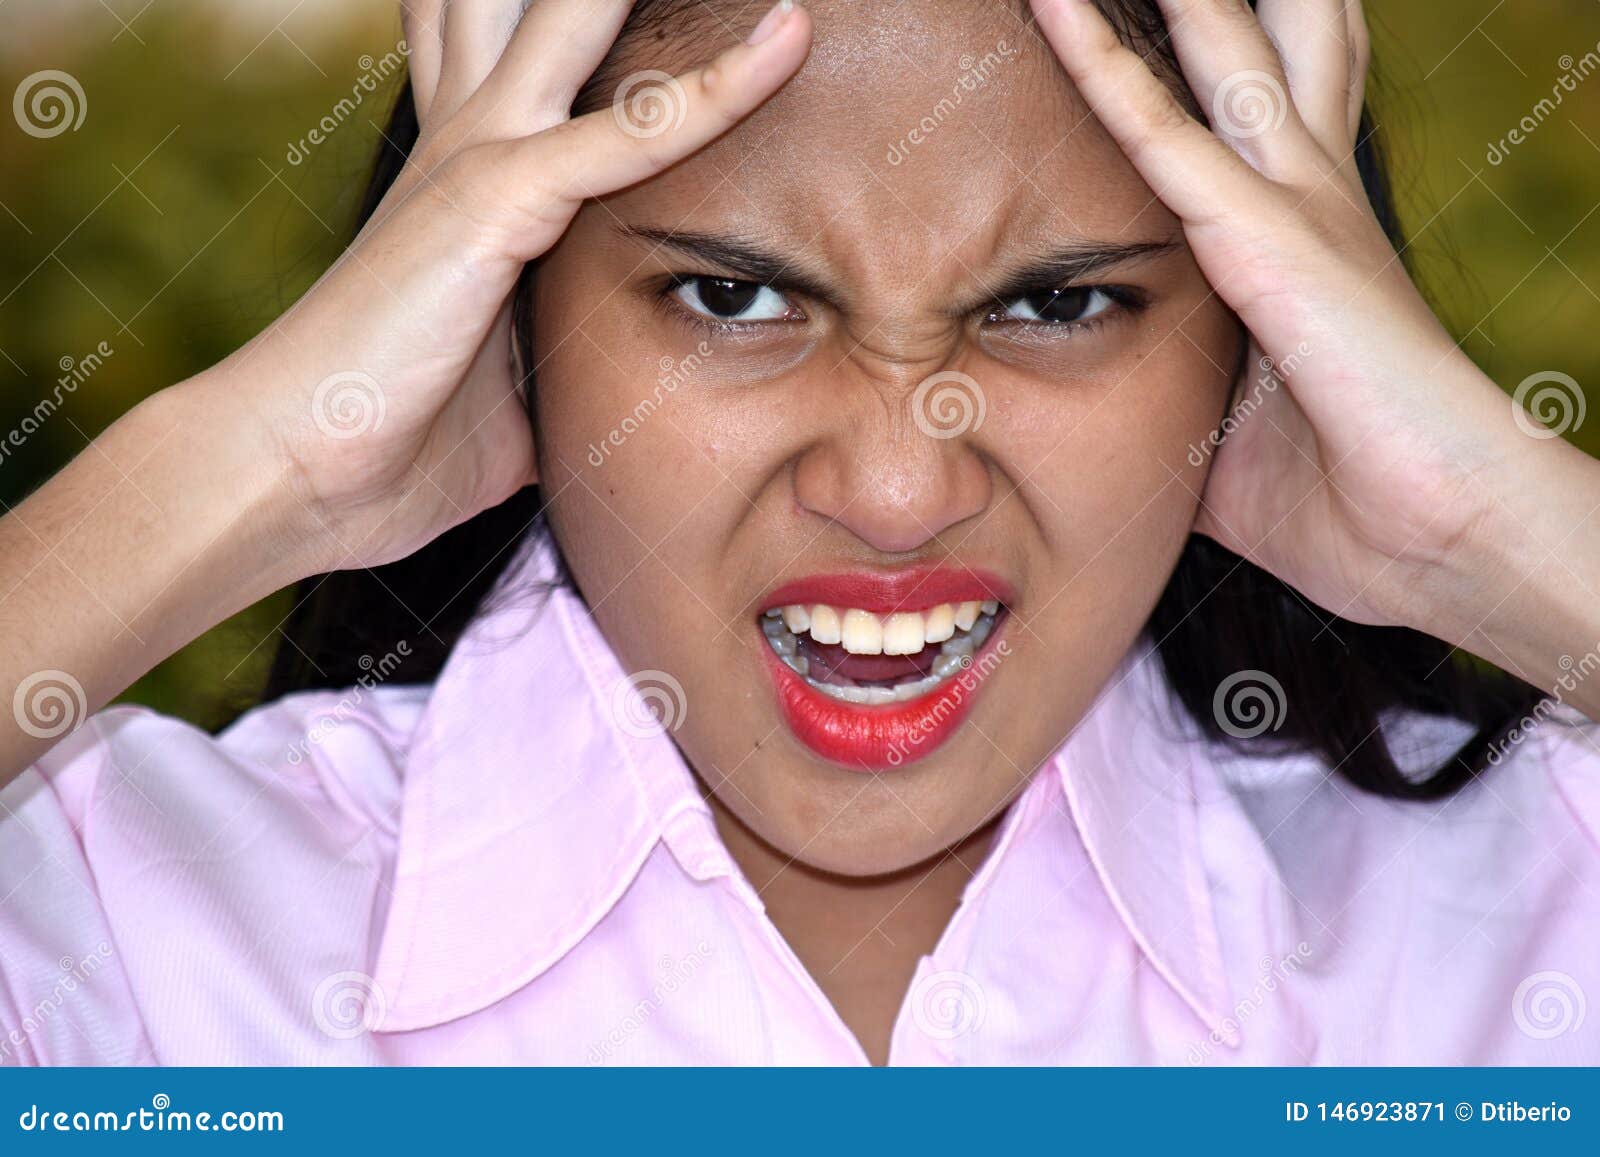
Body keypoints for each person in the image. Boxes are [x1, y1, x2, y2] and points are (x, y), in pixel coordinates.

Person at [2, 0, 1597, 1066]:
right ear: (505, 314)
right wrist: (275, 458)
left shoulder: (1519, 919)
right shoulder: (139, 935)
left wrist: (1479, 525)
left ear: (1256, 348)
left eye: (1057, 305)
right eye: (731, 294)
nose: (896, 490)